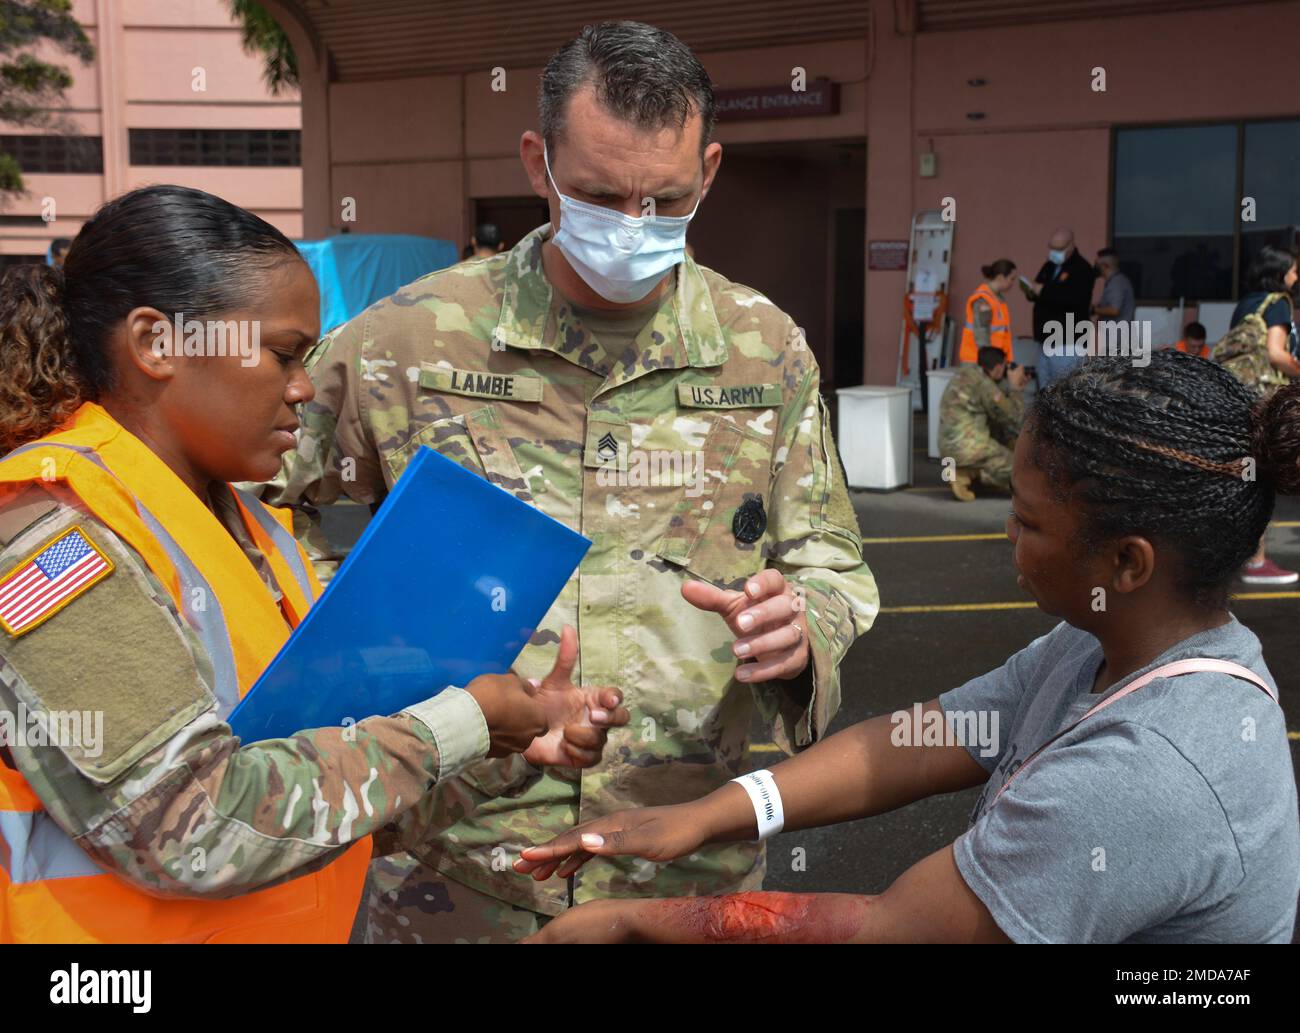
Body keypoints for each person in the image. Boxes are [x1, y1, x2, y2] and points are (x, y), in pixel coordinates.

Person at [265, 20, 879, 943]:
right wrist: (355, 639)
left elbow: (831, 564)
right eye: (597, 193)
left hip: (684, 872)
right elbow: (255, 500)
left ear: (708, 173)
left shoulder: (766, 351)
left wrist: (800, 628)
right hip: (459, 866)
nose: (632, 225)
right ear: (536, 161)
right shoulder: (412, 341)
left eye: (664, 199)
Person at [0, 184, 627, 944]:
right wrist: (459, 722)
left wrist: (504, 745)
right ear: (155, 344)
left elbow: (324, 813)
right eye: (284, 355)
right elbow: (186, 827)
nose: (303, 387)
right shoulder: (53, 537)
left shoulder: (254, 529)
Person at [519, 352, 1300, 944]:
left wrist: (634, 923)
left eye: (1028, 522)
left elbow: (886, 930)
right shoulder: (1099, 647)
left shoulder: (1147, 774)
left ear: (1127, 563)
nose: (1008, 535)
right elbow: (917, 743)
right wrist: (708, 815)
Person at [1215, 244, 1300, 585]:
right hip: (1263, 398)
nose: (1296, 275)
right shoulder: (1278, 303)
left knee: (1241, 473)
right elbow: (1276, 354)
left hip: (1237, 395)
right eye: (1293, 269)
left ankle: (1233, 555)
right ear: (1280, 273)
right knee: (1262, 475)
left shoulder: (1246, 304)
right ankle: (1257, 561)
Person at [938, 345, 1029, 501]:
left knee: (1001, 435)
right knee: (1020, 472)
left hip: (948, 446)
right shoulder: (985, 385)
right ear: (999, 367)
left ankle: (968, 471)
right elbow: (1014, 418)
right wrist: (1016, 389)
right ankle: (965, 475)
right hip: (968, 447)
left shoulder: (965, 374)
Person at [1022, 227, 1097, 387]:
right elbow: (1038, 288)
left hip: (1068, 341)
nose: (1054, 253)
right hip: (1045, 339)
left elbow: (1074, 300)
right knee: (1045, 390)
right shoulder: (1049, 266)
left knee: (1066, 390)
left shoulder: (1082, 269)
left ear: (1070, 246)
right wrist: (1031, 291)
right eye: (1052, 248)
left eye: (1058, 249)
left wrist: (1043, 291)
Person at [956, 259, 1015, 365]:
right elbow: (981, 333)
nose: (1012, 283)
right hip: (979, 362)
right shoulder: (984, 299)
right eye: (1011, 279)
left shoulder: (997, 299)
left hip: (991, 362)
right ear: (1001, 277)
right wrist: (990, 362)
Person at [1090, 247, 1136, 346]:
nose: (1094, 267)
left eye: (1096, 264)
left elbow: (1114, 310)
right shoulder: (1117, 281)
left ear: (1104, 266)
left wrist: (1093, 309)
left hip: (1117, 343)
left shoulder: (1116, 283)